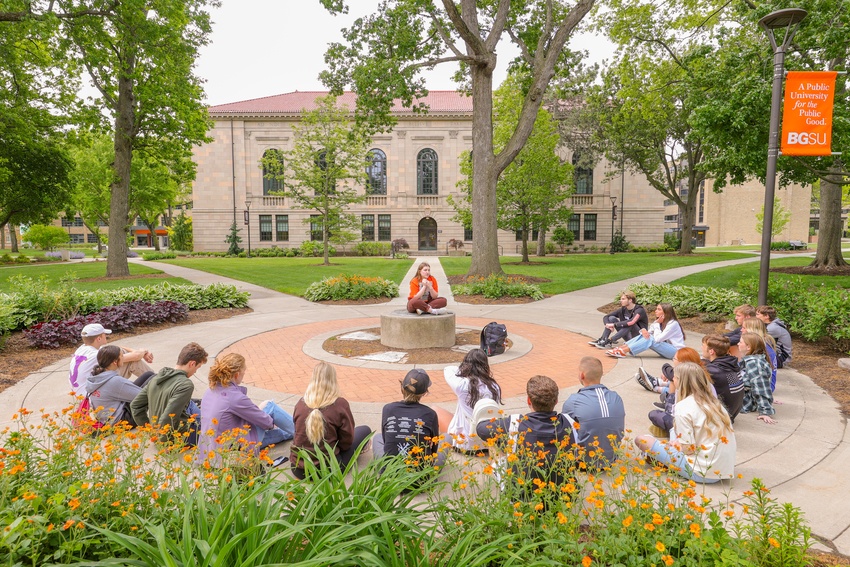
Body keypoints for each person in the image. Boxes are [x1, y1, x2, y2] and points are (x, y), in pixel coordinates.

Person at [635, 362, 737, 484]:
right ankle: (660, 456)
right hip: (723, 469)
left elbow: (689, 449)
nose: (673, 379)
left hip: (701, 470)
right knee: (674, 431)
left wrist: (674, 446)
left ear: (681, 381)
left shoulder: (683, 407)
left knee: (642, 440)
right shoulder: (715, 404)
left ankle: (656, 458)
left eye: (675, 378)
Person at [477, 375, 575, 488]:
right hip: (563, 494)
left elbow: (481, 430)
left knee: (494, 440)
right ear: (556, 400)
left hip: (523, 496)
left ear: (529, 400)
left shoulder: (515, 423)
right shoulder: (570, 422)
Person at [198, 353, 295, 463]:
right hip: (237, 448)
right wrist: (271, 423)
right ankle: (306, 434)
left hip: (212, 450)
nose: (244, 373)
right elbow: (267, 423)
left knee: (282, 432)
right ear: (237, 374)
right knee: (270, 406)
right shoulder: (234, 397)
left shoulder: (210, 390)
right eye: (244, 371)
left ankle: (298, 432)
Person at [290, 362, 372, 480]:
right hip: (329, 470)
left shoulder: (300, 404)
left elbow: (297, 433)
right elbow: (346, 442)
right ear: (333, 380)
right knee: (365, 430)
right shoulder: (340, 405)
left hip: (299, 469)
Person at [130, 342, 208, 445]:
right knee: (216, 430)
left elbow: (135, 405)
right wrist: (163, 441)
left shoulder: (156, 378)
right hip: (178, 436)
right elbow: (168, 417)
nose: (195, 372)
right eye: (197, 368)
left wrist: (151, 431)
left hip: (159, 430)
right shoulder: (185, 384)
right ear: (192, 363)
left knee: (191, 405)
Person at [374, 368, 446, 469]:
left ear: (402, 388)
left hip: (389, 476)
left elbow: (386, 440)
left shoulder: (388, 409)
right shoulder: (430, 414)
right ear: (424, 393)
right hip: (420, 478)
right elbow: (434, 446)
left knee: (377, 437)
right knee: (447, 438)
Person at [561, 356, 626, 467]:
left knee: (563, 423)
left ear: (582, 375)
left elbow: (564, 429)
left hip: (582, 462)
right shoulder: (616, 397)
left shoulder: (574, 400)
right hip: (611, 460)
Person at [436, 348, 503, 452]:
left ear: (467, 365)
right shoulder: (494, 387)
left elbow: (448, 369)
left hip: (464, 444)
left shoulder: (462, 385)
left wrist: (465, 369)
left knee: (435, 410)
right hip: (488, 442)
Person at [69, 323, 154, 397]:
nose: (106, 336)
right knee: (132, 361)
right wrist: (144, 351)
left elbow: (118, 348)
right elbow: (135, 356)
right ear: (99, 339)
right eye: (104, 334)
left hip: (81, 391)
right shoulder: (97, 355)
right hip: (91, 395)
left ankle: (156, 381)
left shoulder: (83, 348)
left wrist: (136, 351)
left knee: (120, 353)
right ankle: (158, 383)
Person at [86, 345, 155, 427]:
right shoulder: (115, 381)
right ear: (115, 362)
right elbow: (144, 397)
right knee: (153, 381)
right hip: (121, 421)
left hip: (107, 417)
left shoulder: (96, 376)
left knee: (148, 375)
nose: (124, 358)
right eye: (122, 356)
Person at [605, 303, 685, 360]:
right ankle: (622, 348)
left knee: (650, 338)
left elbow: (657, 339)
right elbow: (648, 333)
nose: (655, 311)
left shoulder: (673, 324)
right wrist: (643, 330)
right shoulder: (659, 322)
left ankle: (623, 351)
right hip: (666, 349)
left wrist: (656, 324)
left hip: (676, 352)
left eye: (659, 309)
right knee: (647, 336)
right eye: (656, 309)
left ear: (665, 313)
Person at [701, 335, 745, 423]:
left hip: (721, 418)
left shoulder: (714, 371)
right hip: (732, 412)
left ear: (711, 351)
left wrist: (666, 367)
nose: (701, 348)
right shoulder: (730, 364)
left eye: (703, 345)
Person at [737, 333, 777, 424]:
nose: (738, 344)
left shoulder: (754, 363)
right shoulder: (752, 359)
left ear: (748, 347)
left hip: (746, 402)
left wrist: (765, 411)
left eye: (740, 342)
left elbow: (760, 386)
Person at [741, 317, 778, 391]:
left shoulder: (763, 349)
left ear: (751, 330)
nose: (741, 330)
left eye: (743, 328)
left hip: (764, 388)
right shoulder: (762, 343)